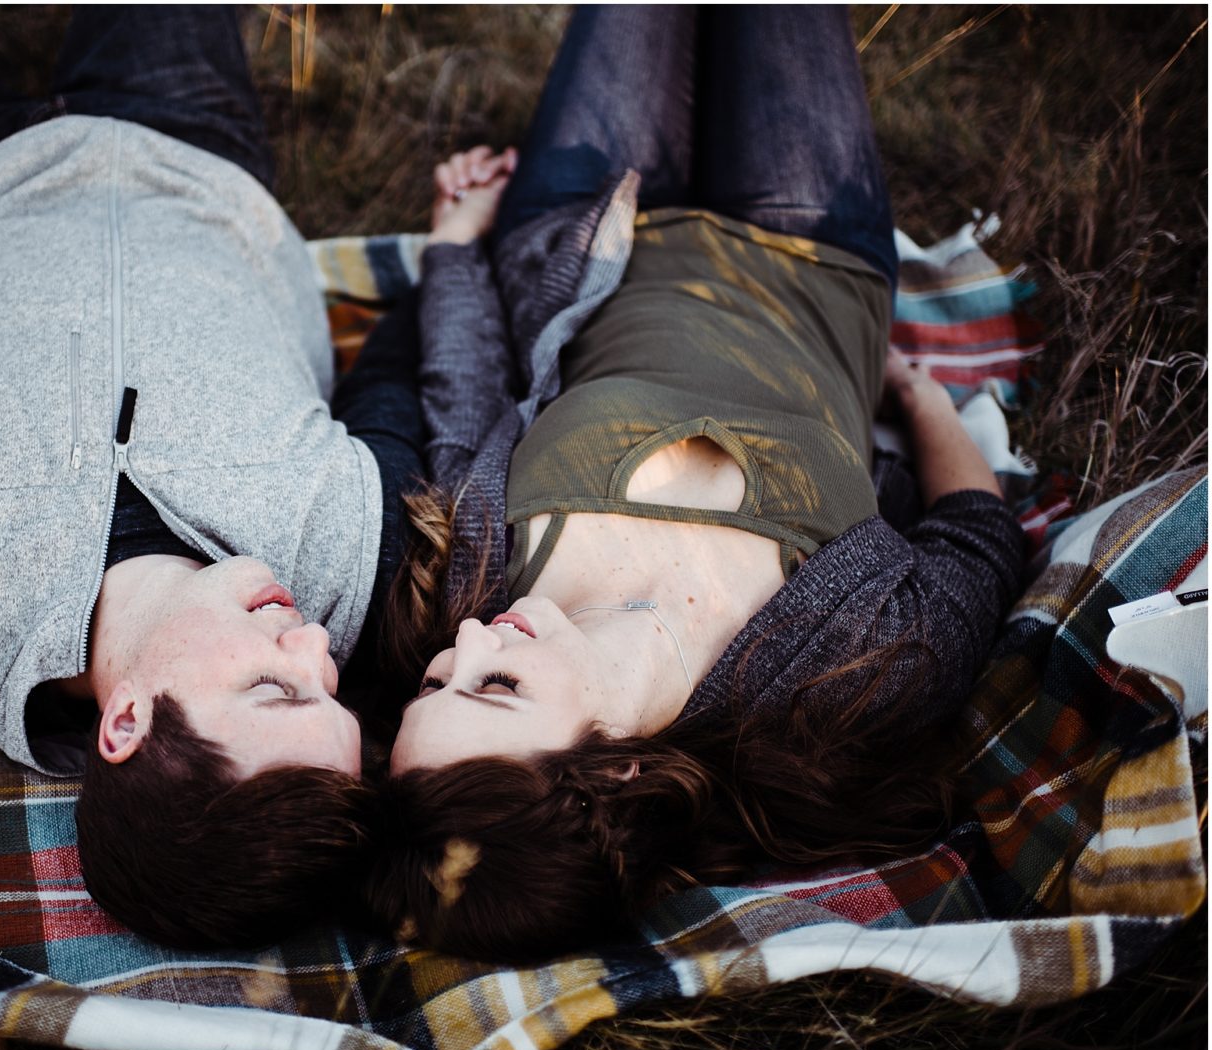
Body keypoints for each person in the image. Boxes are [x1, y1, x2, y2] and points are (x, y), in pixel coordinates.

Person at [0, 6, 428, 949]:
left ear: (128, 725)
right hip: (188, 157)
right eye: (332, 690)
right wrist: (452, 256)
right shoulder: (357, 558)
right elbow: (396, 388)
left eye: (279, 689)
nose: (316, 648)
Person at [367, 5, 1026, 962]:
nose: (467, 640)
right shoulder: (852, 673)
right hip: (818, 254)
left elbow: (461, 391)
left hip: (587, 218)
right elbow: (976, 539)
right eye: (494, 686)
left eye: (437, 679)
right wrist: (920, 398)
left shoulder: (479, 569)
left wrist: (457, 244)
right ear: (618, 766)